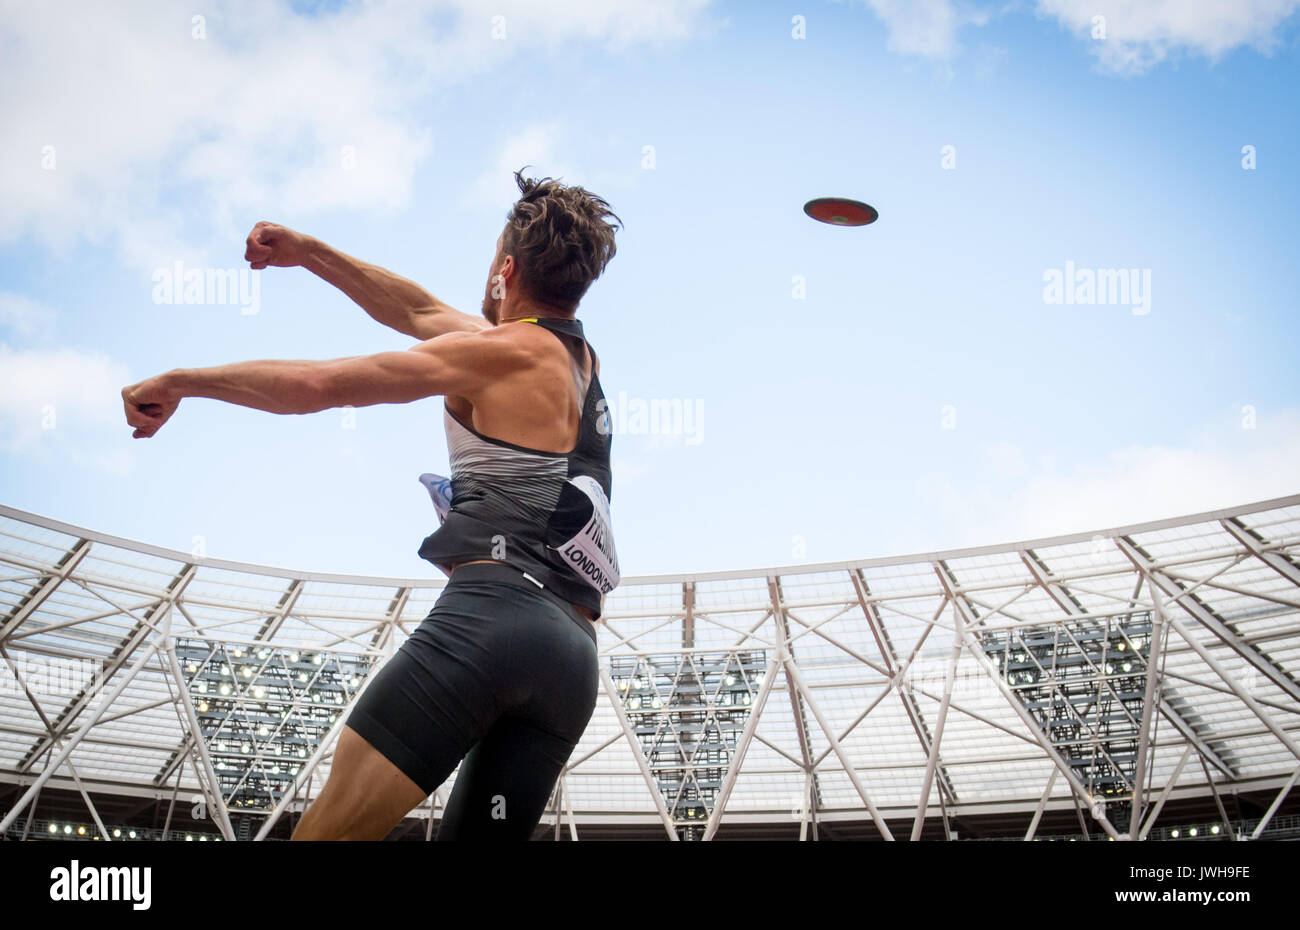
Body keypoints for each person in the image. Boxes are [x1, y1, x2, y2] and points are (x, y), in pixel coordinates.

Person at [121, 170, 622, 839]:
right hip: (570, 659)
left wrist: (184, 381)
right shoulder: (578, 363)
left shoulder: (498, 353)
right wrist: (309, 253)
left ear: (505, 268)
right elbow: (415, 310)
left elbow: (321, 383)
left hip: (492, 622)